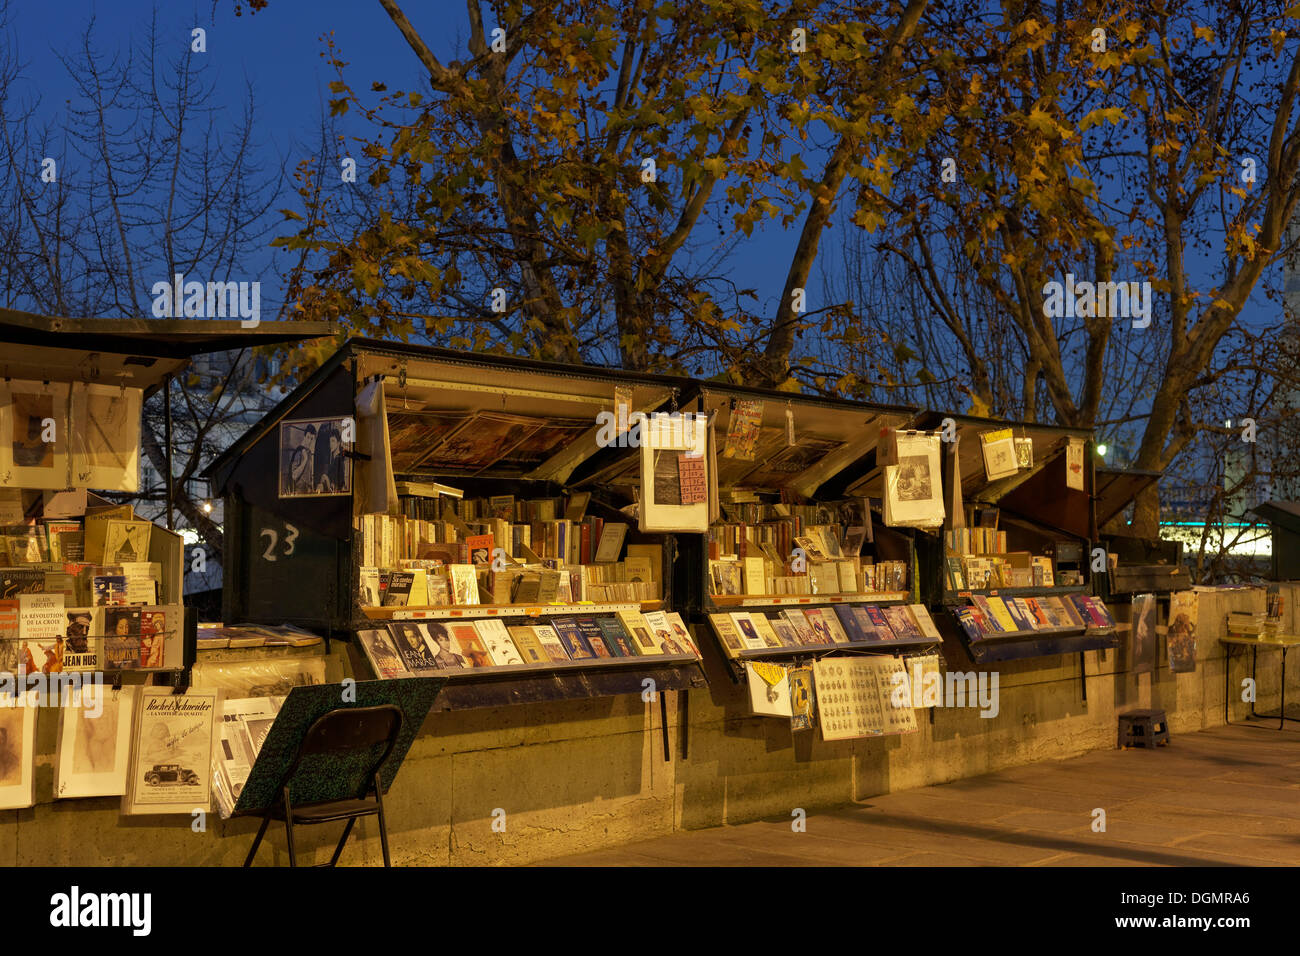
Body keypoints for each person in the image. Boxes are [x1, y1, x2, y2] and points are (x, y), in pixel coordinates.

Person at [314, 422, 347, 493]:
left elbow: (336, 487)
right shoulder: (334, 459)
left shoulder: (338, 460)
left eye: (333, 441)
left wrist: (325, 478)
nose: (330, 444)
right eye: (330, 442)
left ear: (338, 443)